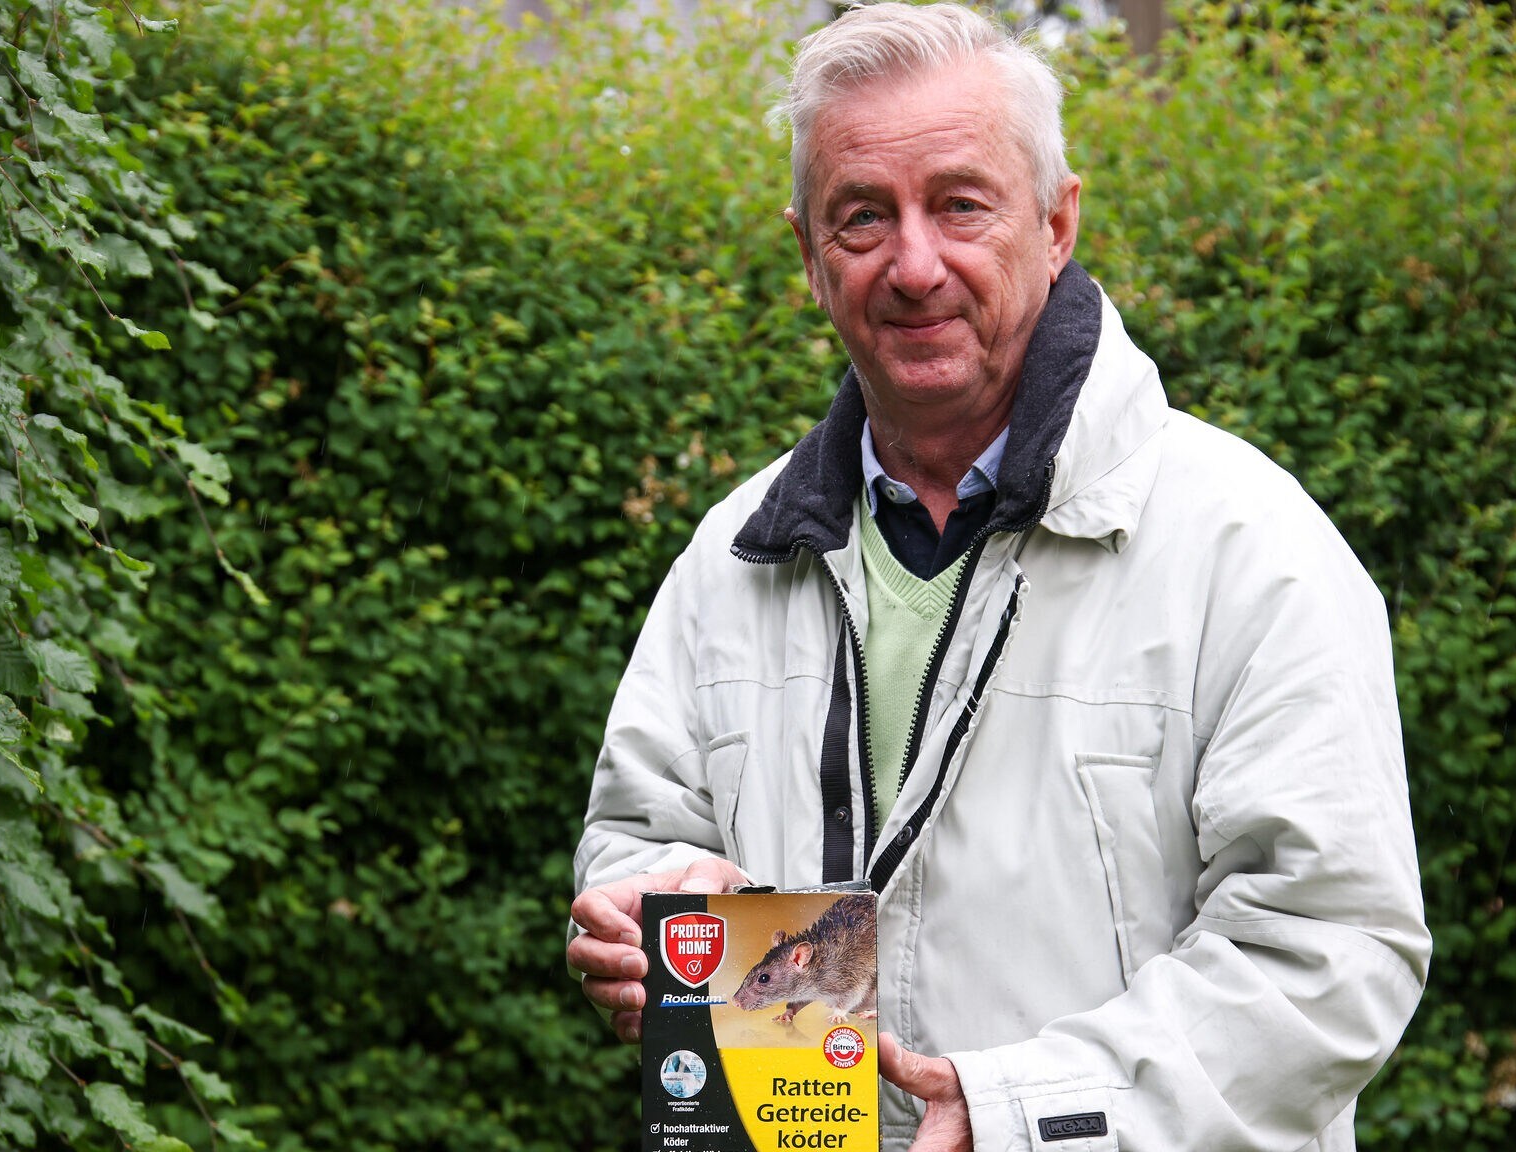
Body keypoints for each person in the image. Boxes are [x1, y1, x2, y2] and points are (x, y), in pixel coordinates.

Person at [567, 4, 1430, 1150]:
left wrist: (1020, 1112)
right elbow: (638, 832)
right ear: (807, 256)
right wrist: (646, 902)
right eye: (861, 217)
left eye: (960, 204)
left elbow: (1332, 952)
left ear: (1056, 221)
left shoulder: (1247, 548)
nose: (913, 265)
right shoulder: (735, 556)